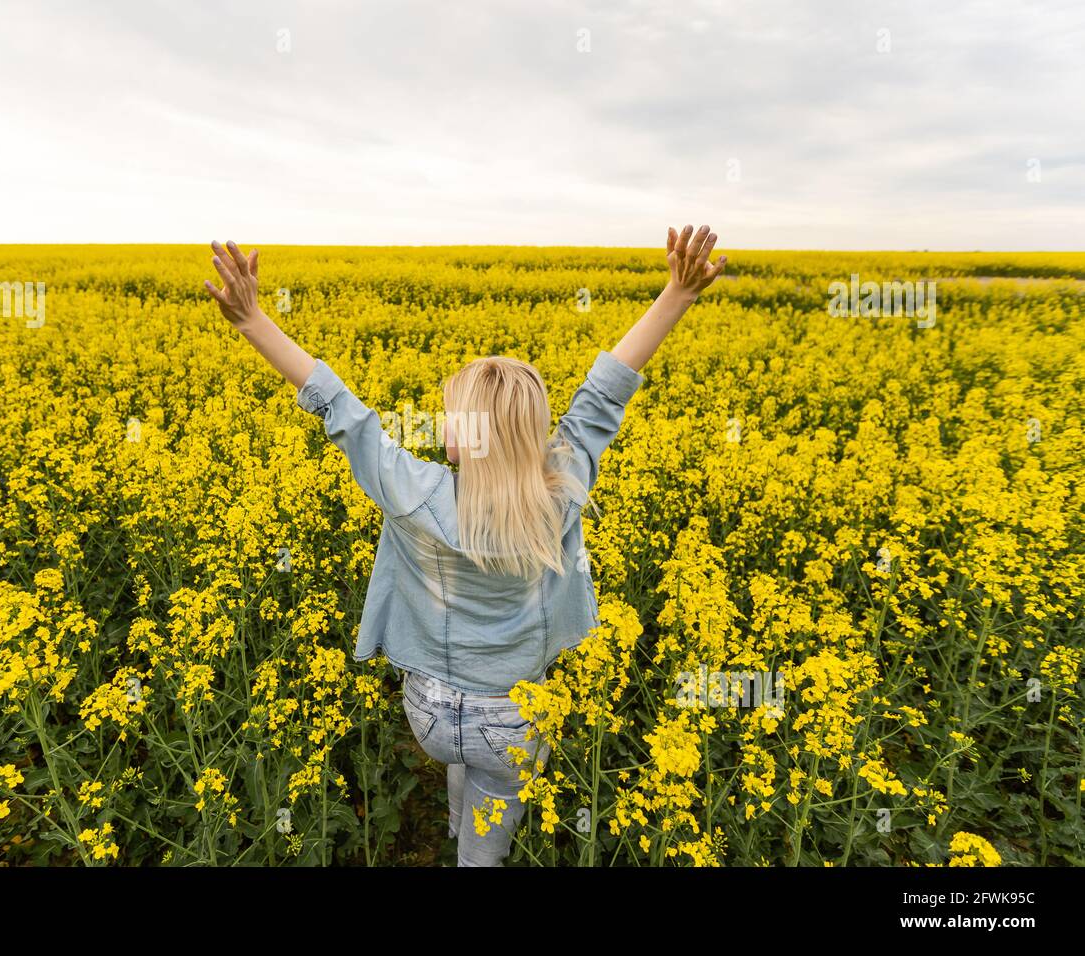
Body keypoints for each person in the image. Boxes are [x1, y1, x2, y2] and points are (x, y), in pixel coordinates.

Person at [204, 225, 726, 865]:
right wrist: (677, 294)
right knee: (488, 834)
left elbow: (342, 411)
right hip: (511, 719)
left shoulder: (416, 492)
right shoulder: (559, 492)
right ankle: (469, 845)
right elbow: (604, 394)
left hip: (430, 712)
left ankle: (453, 821)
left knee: (457, 757)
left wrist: (252, 319)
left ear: (461, 438)